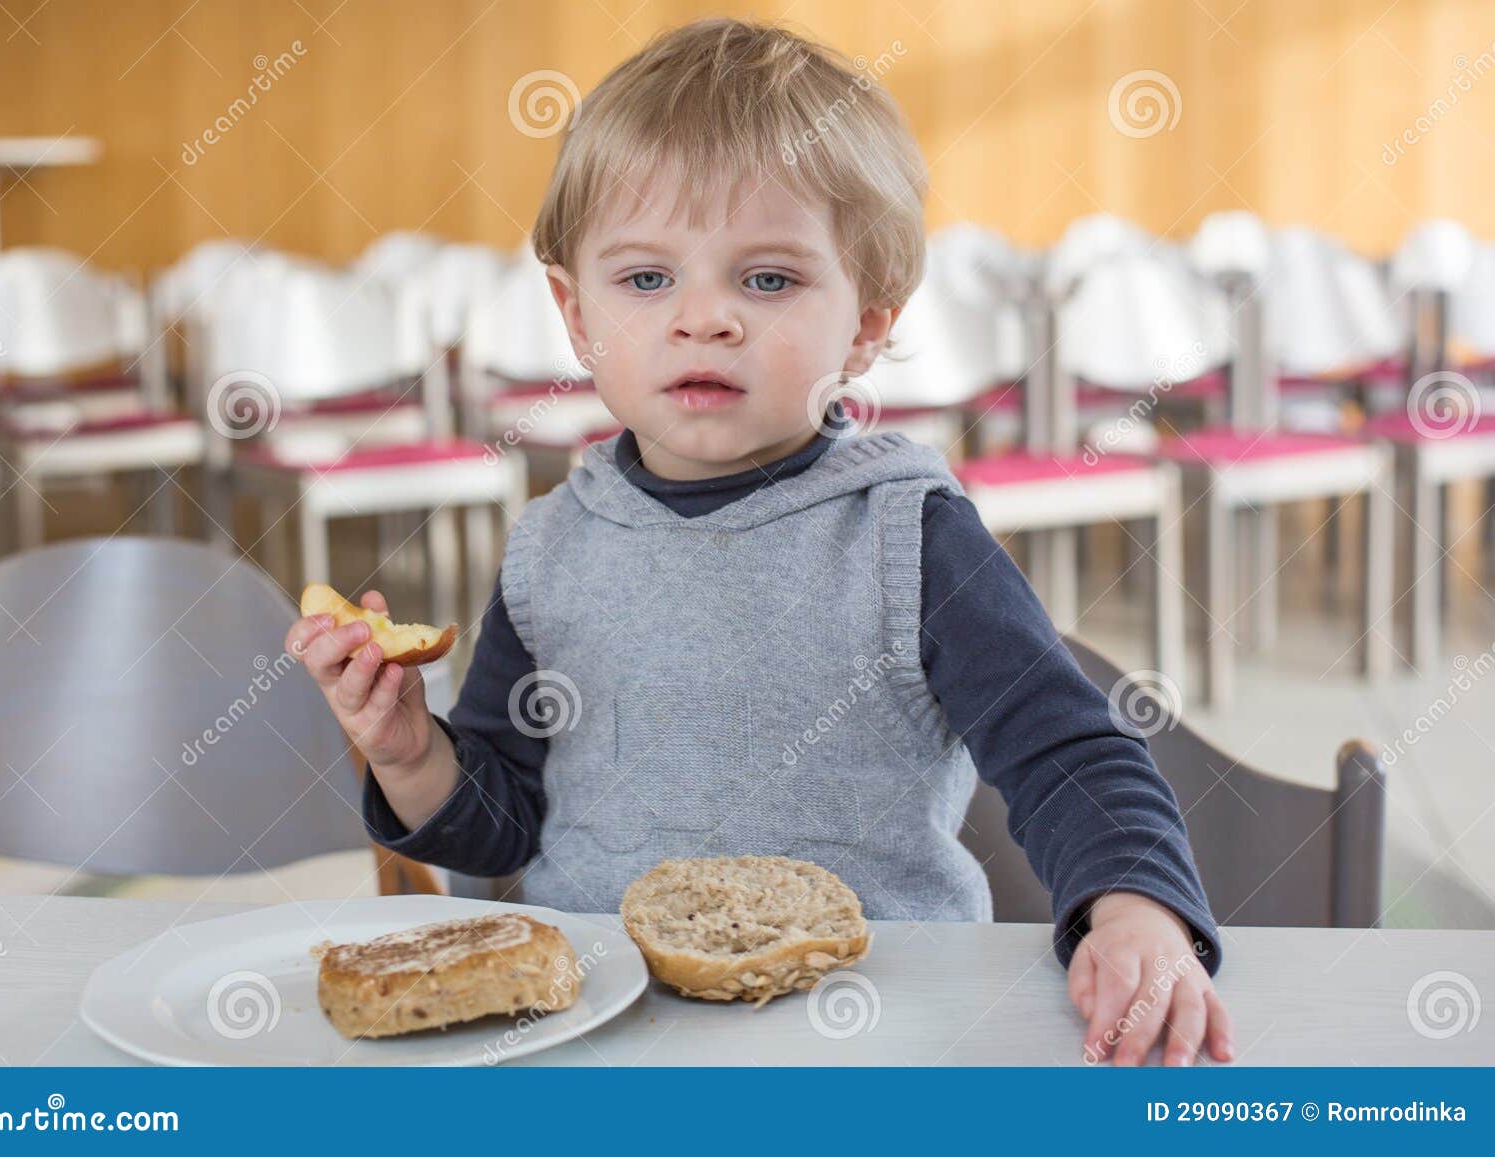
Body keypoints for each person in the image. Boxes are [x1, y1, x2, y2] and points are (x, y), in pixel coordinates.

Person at [287, 16, 1234, 1066]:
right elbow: (498, 826)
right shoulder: (550, 549)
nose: (705, 318)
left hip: (875, 1032)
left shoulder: (906, 530)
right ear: (574, 312)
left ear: (868, 321)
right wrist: (413, 754)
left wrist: (1135, 907)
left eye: (768, 280)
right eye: (646, 280)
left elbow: (1066, 751)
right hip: (604, 1035)